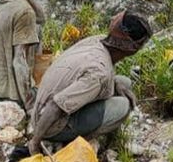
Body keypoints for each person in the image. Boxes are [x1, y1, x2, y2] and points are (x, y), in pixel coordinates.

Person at [29, 11, 152, 154]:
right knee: (123, 106)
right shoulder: (99, 74)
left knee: (123, 82)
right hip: (51, 124)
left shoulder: (98, 41)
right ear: (131, 49)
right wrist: (35, 141)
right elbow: (56, 106)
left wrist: (115, 84)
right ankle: (83, 142)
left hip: (42, 104)